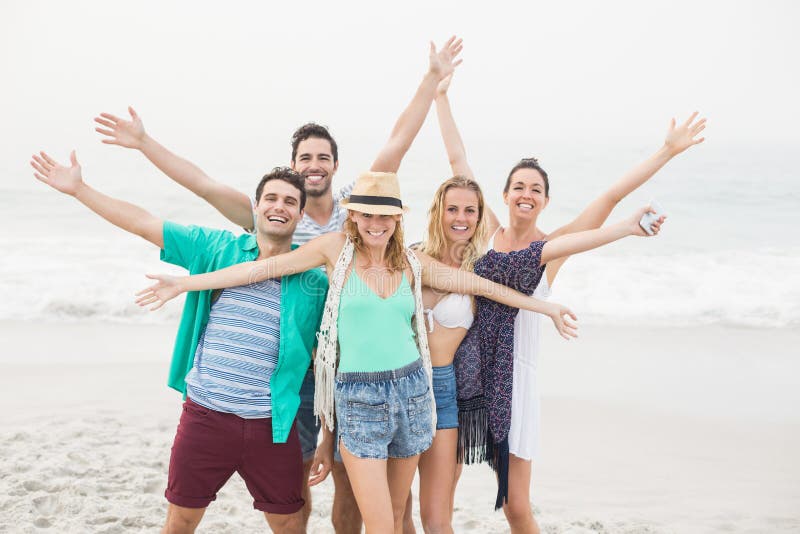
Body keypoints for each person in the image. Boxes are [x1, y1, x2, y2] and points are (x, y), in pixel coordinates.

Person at [93, 36, 467, 534]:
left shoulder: (357, 211)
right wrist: (143, 143)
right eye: (305, 158)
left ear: (335, 165)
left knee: (353, 485)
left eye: (323, 157)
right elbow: (200, 184)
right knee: (296, 486)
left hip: (346, 367)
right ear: (293, 167)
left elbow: (397, 143)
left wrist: (429, 81)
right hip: (291, 377)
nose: (314, 165)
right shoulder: (272, 211)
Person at [134, 168, 588, 532]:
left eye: (384, 215)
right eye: (366, 214)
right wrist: (185, 283)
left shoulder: (412, 262)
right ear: (353, 216)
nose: (375, 223)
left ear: (397, 220)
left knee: (395, 513)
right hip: (358, 399)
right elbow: (262, 269)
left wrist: (544, 309)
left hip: (414, 395)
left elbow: (478, 285)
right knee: (380, 523)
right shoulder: (335, 251)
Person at [435, 74, 705, 532]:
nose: (526, 193)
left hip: (515, 380)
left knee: (517, 505)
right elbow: (458, 159)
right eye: (518, 186)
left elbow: (611, 198)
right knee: (444, 489)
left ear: (544, 201)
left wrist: (667, 151)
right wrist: (441, 95)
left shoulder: (553, 249)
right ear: (502, 195)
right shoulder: (485, 233)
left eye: (535, 189)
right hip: (464, 372)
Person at [28, 154, 330, 534]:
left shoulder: (314, 282)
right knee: (181, 520)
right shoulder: (217, 249)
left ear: (301, 215)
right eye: (271, 198)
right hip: (206, 416)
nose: (279, 207)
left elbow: (328, 360)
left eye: (290, 202)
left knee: (289, 523)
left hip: (273, 424)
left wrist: (329, 435)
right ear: (255, 207)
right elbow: (144, 224)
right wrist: (79, 190)